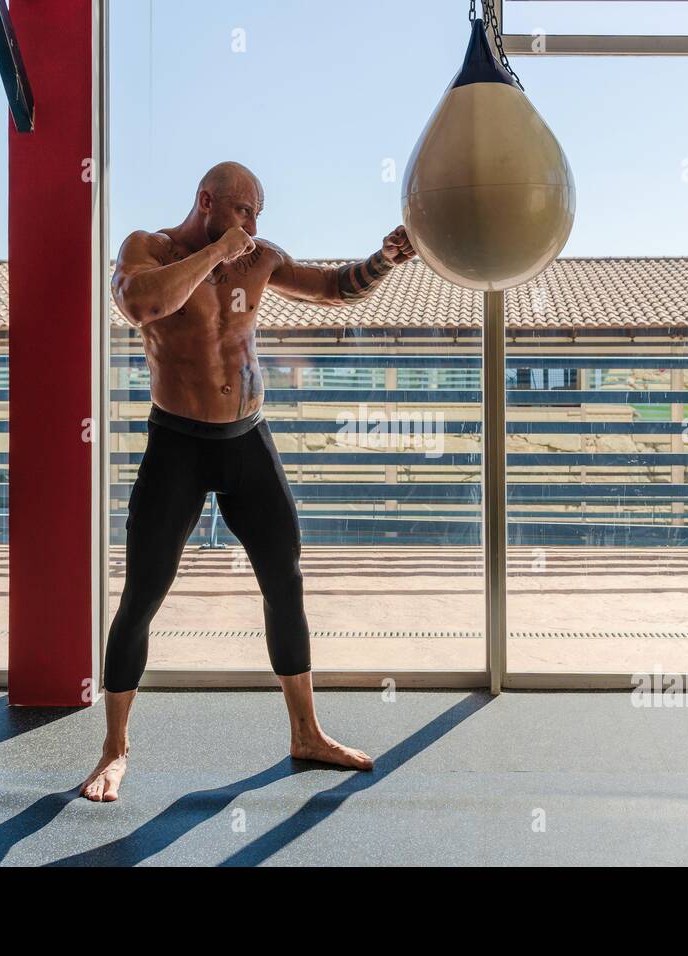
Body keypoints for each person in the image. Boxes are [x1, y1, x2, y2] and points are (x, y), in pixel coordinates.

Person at [81, 161, 417, 802]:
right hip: (177, 444)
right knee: (143, 594)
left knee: (284, 582)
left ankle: (306, 732)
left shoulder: (259, 257)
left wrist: (385, 258)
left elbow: (334, 288)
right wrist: (214, 252)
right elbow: (142, 304)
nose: (253, 224)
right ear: (207, 201)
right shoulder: (148, 249)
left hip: (247, 442)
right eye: (243, 211)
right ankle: (114, 749)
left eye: (258, 213)